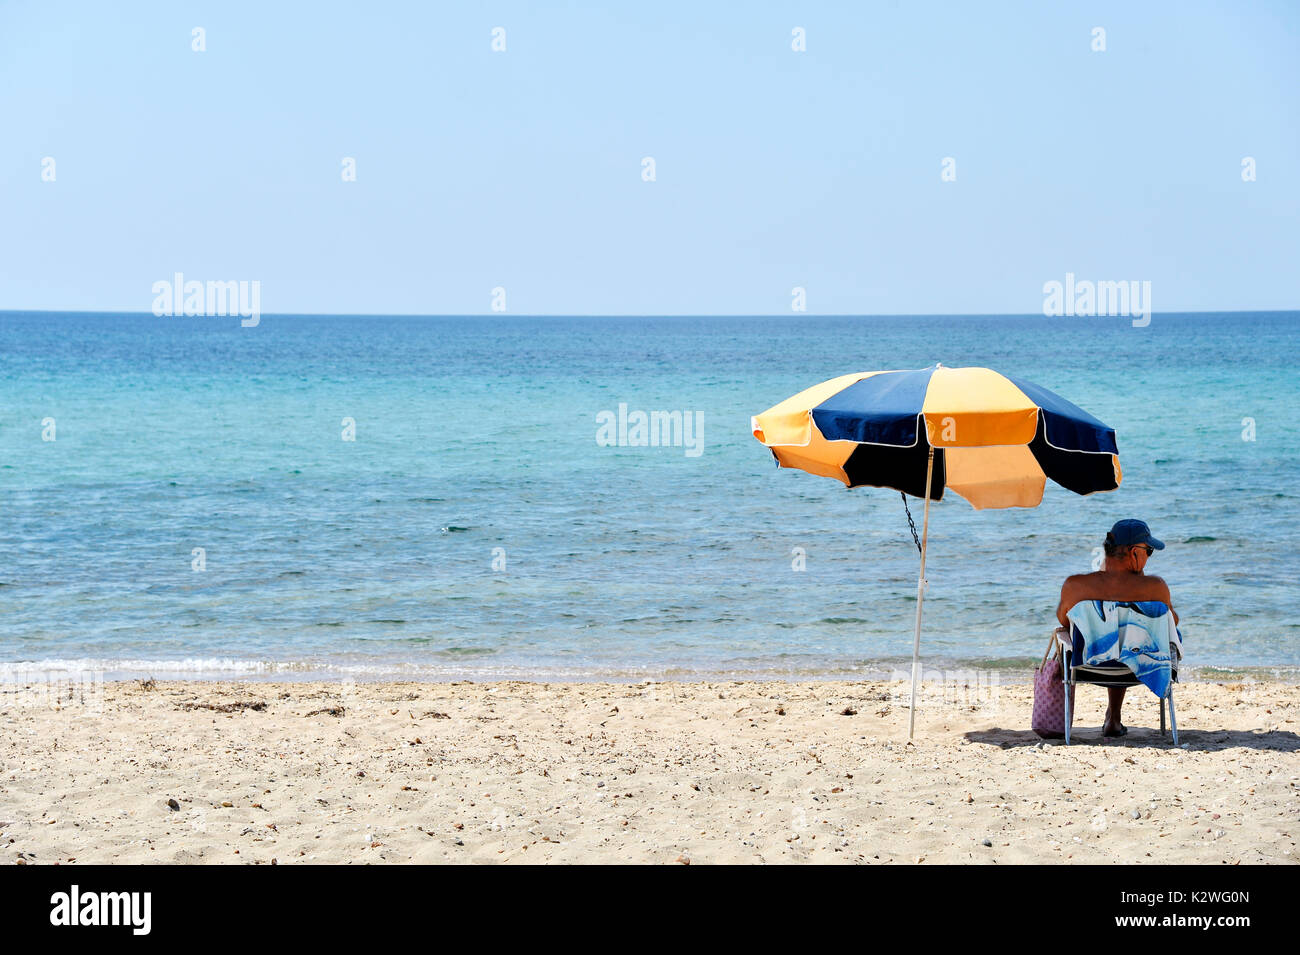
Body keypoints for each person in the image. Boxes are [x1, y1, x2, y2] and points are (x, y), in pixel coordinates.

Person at [1055, 519, 1178, 737]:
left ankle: (1104, 719)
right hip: (1140, 667)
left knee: (1112, 635)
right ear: (1133, 553)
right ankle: (1113, 717)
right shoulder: (1155, 587)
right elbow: (1172, 621)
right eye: (1148, 551)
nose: (1149, 557)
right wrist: (1138, 582)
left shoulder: (1075, 586)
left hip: (1085, 666)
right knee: (1130, 637)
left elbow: (1064, 622)